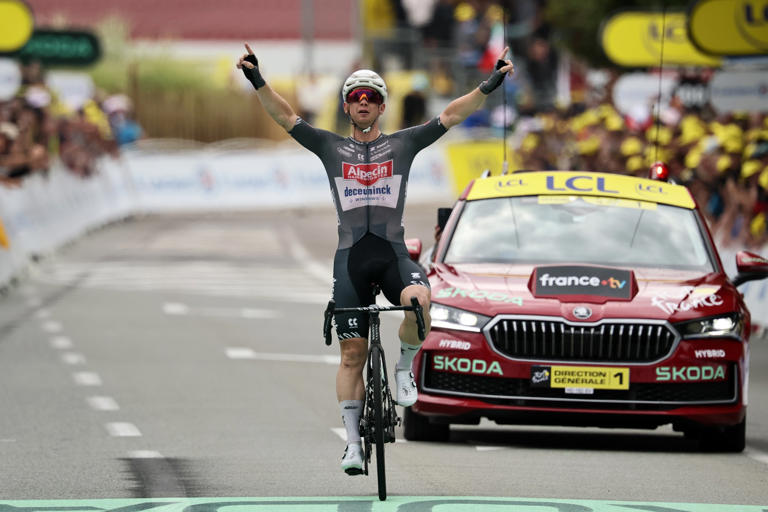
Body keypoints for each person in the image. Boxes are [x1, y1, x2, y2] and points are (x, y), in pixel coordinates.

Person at [236, 43, 514, 475]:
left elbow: (452, 115)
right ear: (347, 107)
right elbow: (285, 116)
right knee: (352, 355)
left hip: (392, 254)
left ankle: (404, 367)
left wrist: (489, 84)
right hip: (350, 258)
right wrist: (257, 78)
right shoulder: (329, 147)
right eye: (355, 97)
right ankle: (352, 444)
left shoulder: (404, 144)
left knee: (419, 301)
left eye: (371, 97)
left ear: (382, 107)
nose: (363, 102)